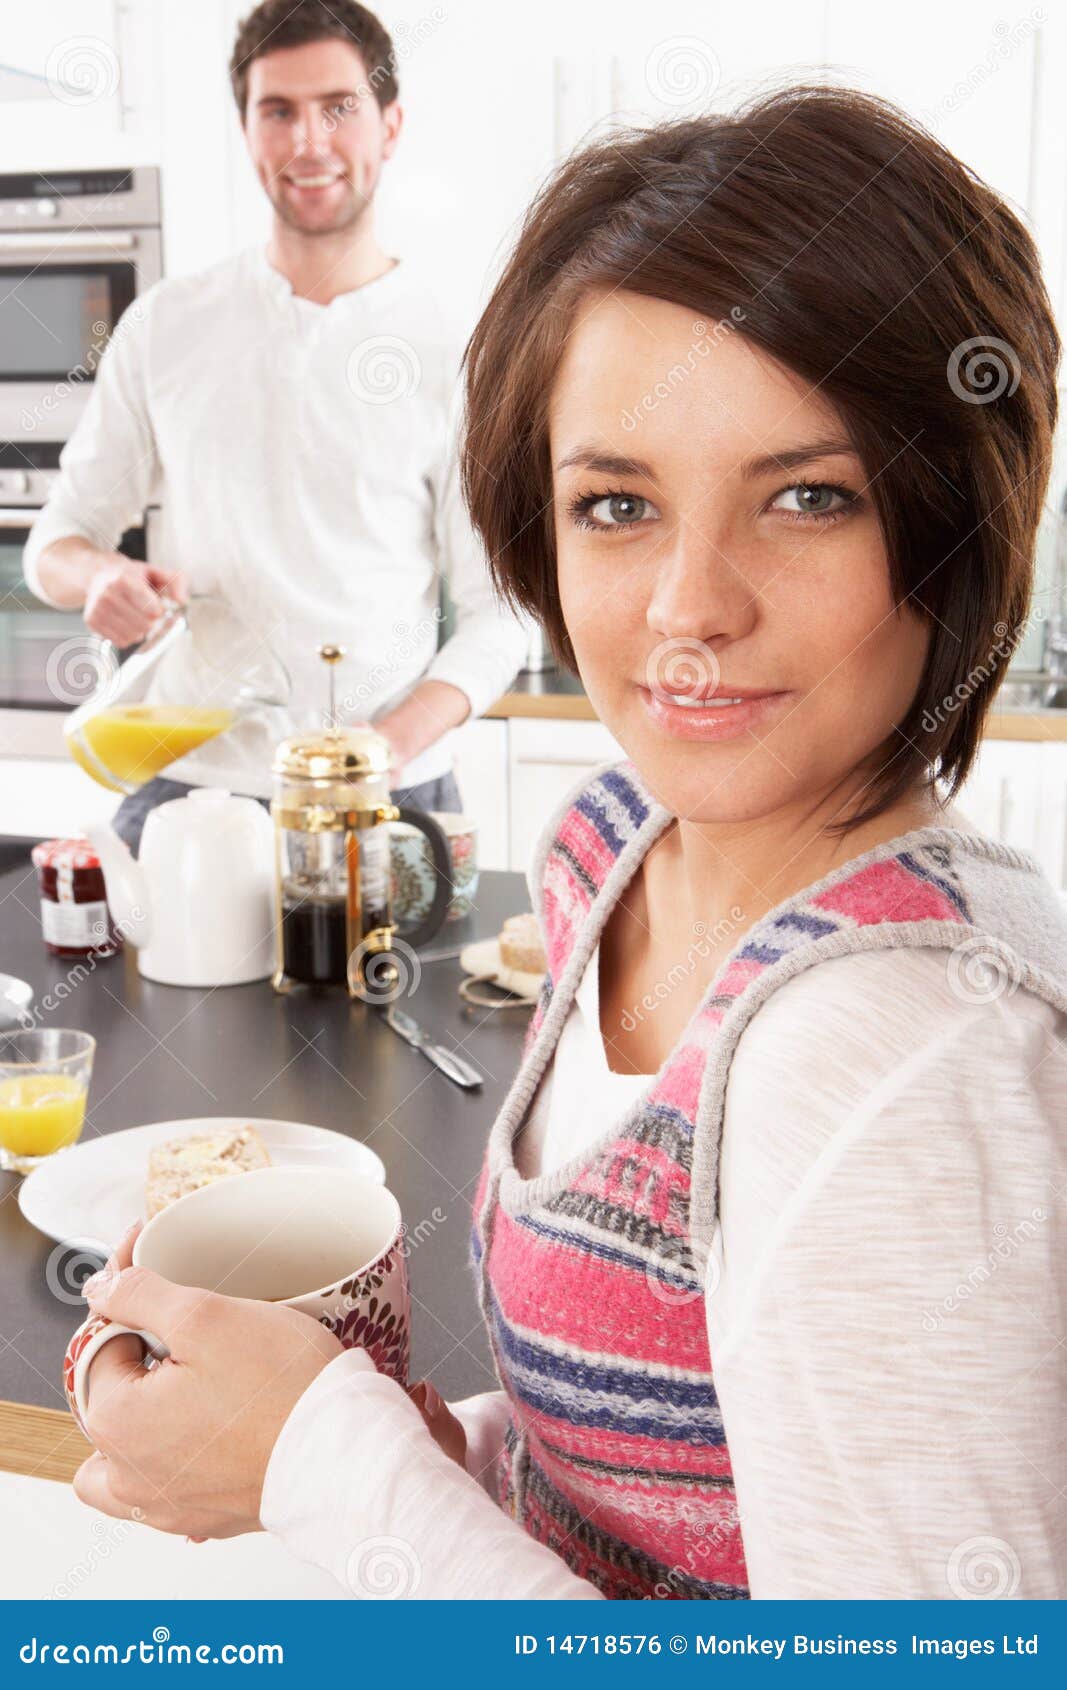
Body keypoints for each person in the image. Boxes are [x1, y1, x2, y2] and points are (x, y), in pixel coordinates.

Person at [72, 86, 1067, 1598]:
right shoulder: (626, 847)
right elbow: (658, 1482)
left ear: (948, 513)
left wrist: (322, 1462)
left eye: (806, 495)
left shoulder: (886, 1054)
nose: (686, 606)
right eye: (614, 504)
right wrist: (425, 1453)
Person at [23, 0, 526, 852]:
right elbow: (53, 545)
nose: (308, 142)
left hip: (388, 793)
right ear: (247, 130)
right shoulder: (166, 326)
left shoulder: (459, 347)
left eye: (338, 107)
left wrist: (388, 747)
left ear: (389, 124)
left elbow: (501, 611)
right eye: (278, 111)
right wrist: (99, 575)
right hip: (190, 790)